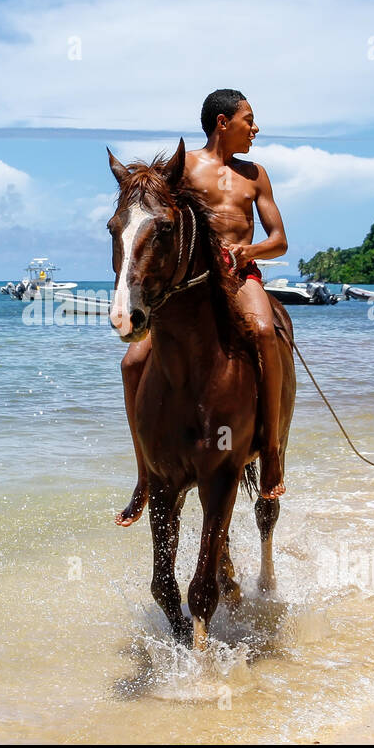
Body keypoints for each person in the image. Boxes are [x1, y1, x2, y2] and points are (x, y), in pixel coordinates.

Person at [116, 89, 289, 526]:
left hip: (239, 276)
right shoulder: (185, 168)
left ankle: (270, 451)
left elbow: (279, 241)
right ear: (222, 122)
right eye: (249, 119)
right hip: (189, 284)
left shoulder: (256, 175)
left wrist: (248, 253)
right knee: (133, 359)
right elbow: (152, 215)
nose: (255, 128)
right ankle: (144, 474)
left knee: (266, 332)